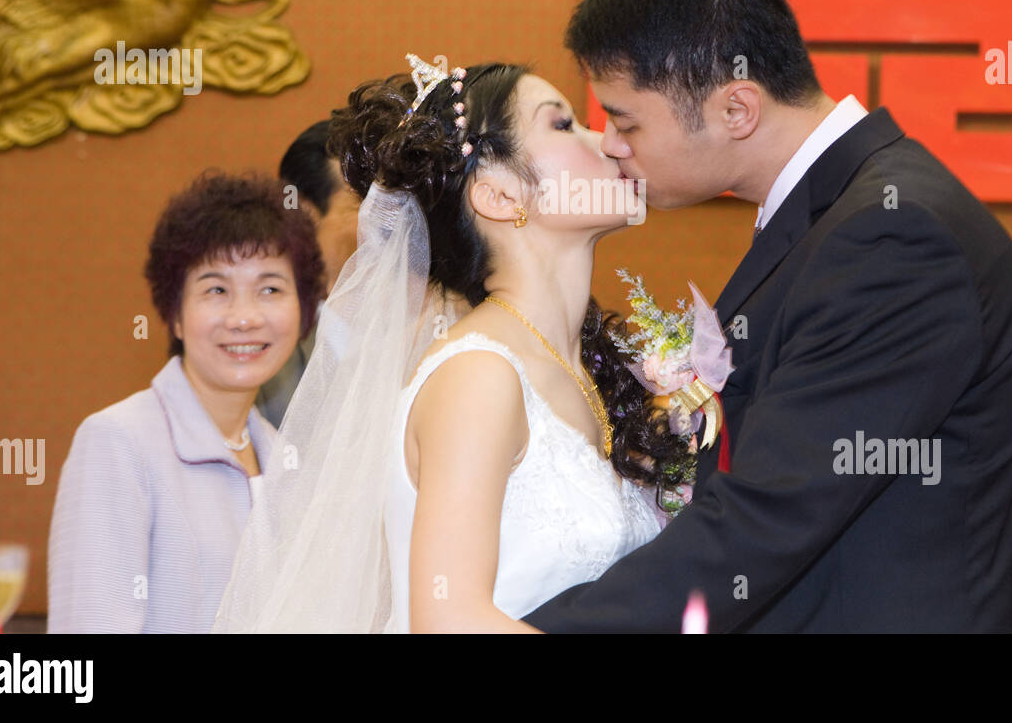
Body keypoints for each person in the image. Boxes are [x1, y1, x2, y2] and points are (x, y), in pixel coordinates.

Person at [522, 0, 1012, 632]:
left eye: (624, 120)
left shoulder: (893, 237)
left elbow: (763, 518)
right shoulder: (838, 213)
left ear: (736, 109)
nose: (610, 145)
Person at [214, 59, 687, 633]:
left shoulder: (583, 369)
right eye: (563, 125)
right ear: (498, 195)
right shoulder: (479, 374)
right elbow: (448, 619)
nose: (608, 139)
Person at [48, 171, 326, 632]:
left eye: (270, 289)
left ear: (304, 313)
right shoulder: (118, 443)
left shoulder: (287, 461)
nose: (243, 318)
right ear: (174, 313)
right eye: (216, 290)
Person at [255, 121, 364, 428]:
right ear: (304, 213)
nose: (392, 215)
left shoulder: (446, 319)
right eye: (366, 202)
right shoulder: (256, 338)